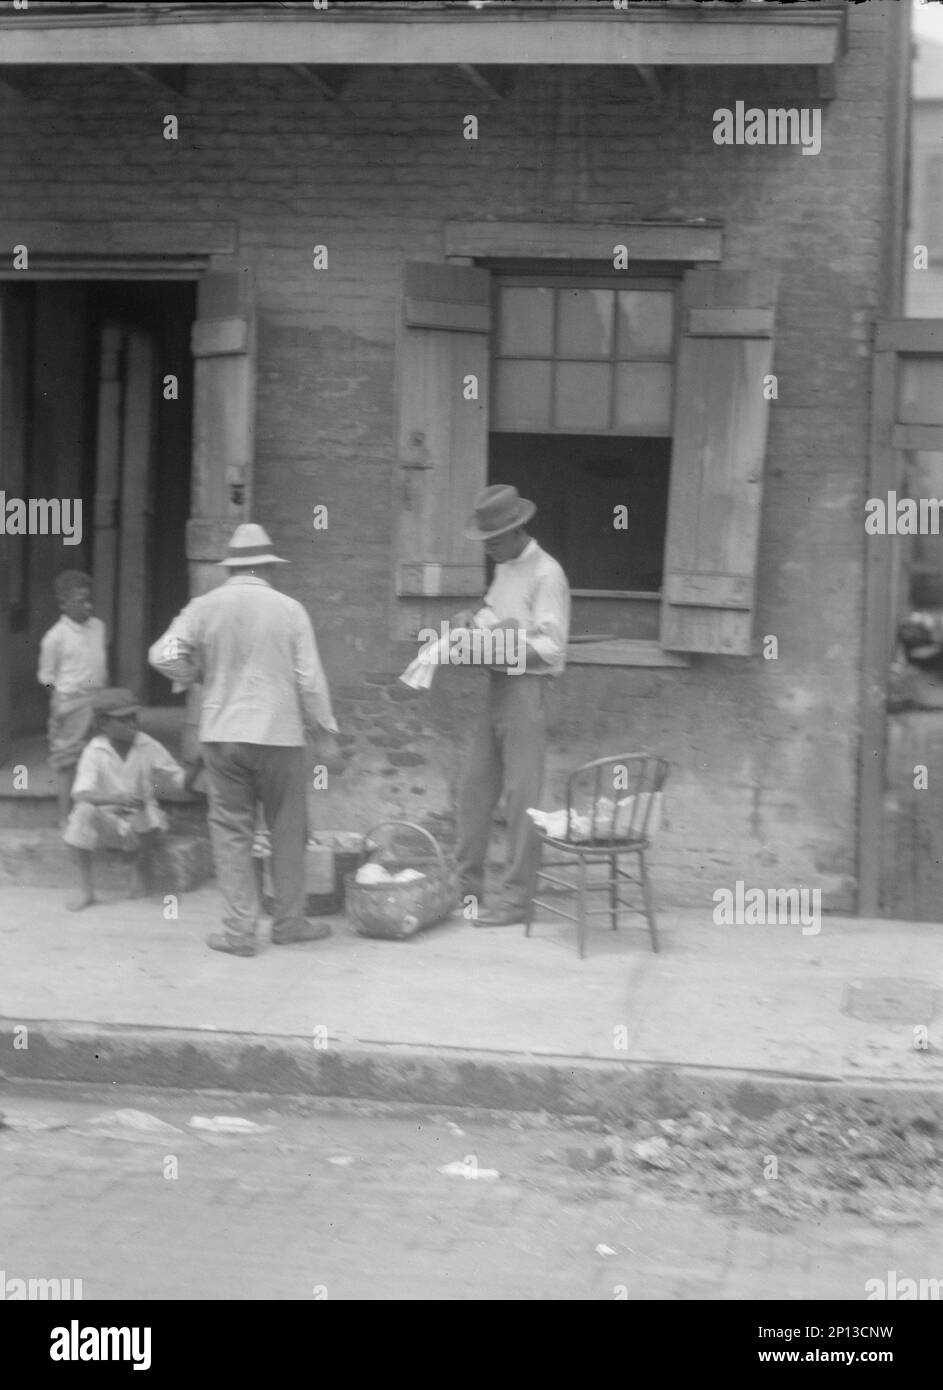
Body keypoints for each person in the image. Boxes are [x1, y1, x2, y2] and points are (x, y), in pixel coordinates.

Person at [148, 523, 343, 958]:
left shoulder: (203, 607)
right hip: (279, 735)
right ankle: (289, 923)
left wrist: (192, 674)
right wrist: (326, 732)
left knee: (232, 832)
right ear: (268, 566)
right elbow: (310, 681)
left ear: (232, 566)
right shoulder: (290, 609)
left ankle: (239, 932)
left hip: (223, 737)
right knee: (288, 831)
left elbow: (161, 652)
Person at [452, 485, 571, 926]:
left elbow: (552, 646)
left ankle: (517, 900)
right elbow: (492, 612)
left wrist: (500, 647)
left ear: (518, 530)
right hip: (498, 687)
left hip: (528, 690)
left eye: (495, 540)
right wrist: (472, 620)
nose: (488, 550)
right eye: (484, 542)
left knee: (522, 798)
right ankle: (465, 889)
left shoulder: (546, 574)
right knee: (473, 790)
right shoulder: (505, 568)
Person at [63, 688, 191, 912]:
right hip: (110, 822)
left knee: (148, 814)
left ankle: (139, 866)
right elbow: (81, 793)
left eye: (134, 717)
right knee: (83, 812)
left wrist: (194, 776)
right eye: (123, 720)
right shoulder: (94, 751)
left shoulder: (147, 745)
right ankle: (86, 890)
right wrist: (117, 798)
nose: (132, 724)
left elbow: (176, 774)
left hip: (141, 821)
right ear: (102, 723)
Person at [37, 570, 108, 825]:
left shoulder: (98, 627)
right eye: (80, 601)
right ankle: (64, 818)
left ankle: (90, 816)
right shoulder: (55, 637)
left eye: (90, 599)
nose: (87, 606)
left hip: (97, 699)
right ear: (63, 603)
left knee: (96, 757)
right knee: (67, 760)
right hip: (70, 701)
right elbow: (46, 677)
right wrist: (62, 703)